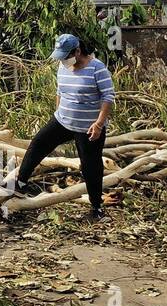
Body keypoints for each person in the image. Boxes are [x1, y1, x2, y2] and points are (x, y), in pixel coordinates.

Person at [11, 32, 115, 219]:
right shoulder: (63, 66)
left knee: (90, 165)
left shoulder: (97, 69)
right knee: (38, 144)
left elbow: (108, 98)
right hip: (62, 121)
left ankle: (96, 208)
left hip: (88, 127)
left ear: (77, 51)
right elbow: (60, 91)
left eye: (66, 56)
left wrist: (99, 124)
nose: (64, 60)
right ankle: (20, 185)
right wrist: (57, 112)